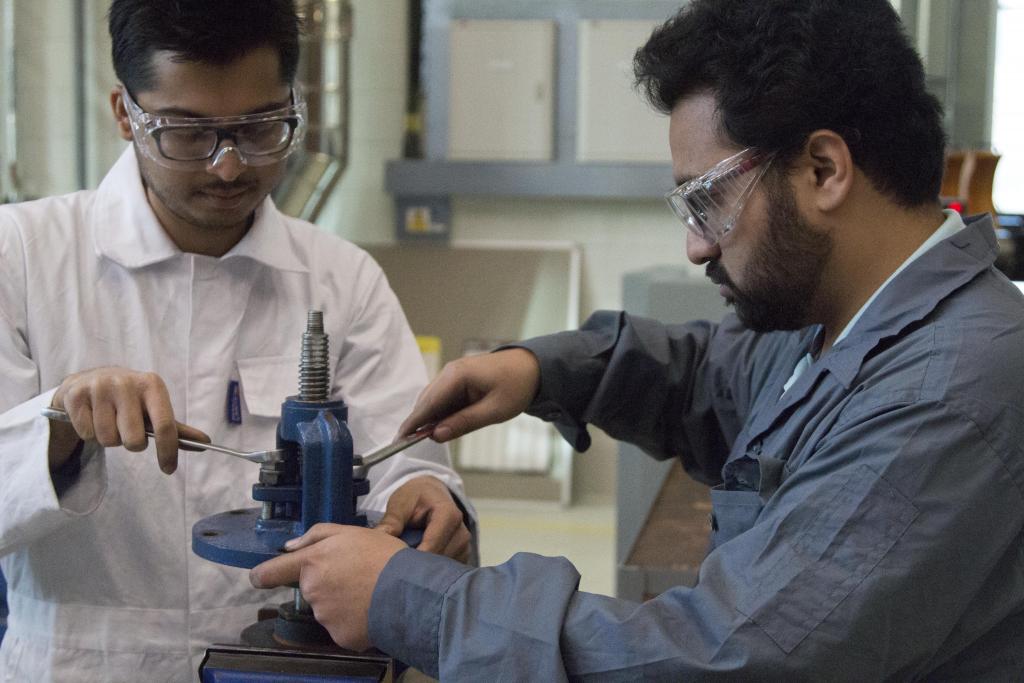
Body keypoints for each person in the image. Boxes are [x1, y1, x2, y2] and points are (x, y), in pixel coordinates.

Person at [250, 0, 1024, 679]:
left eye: (709, 199)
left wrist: (411, 601)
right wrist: (540, 369)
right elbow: (709, 375)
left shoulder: (947, 393)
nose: (695, 247)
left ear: (824, 168)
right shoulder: (848, 316)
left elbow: (728, 654)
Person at [0, 1, 475, 680]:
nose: (228, 168)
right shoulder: (19, 257)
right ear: (123, 112)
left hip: (291, 662)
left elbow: (408, 460)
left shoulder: (342, 279)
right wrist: (59, 428)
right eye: (187, 135)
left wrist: (429, 497)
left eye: (259, 128)